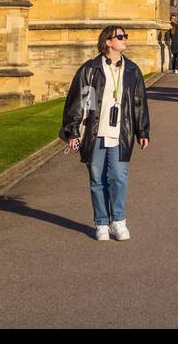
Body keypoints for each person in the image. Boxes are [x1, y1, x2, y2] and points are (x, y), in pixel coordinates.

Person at [59, 25, 150, 241]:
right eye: (120, 36)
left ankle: (118, 220)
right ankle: (101, 222)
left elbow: (139, 103)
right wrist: (73, 132)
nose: (124, 39)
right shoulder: (90, 70)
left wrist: (142, 130)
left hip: (121, 131)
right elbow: (81, 102)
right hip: (95, 131)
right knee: (97, 178)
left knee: (118, 176)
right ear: (107, 42)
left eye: (124, 36)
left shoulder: (132, 70)